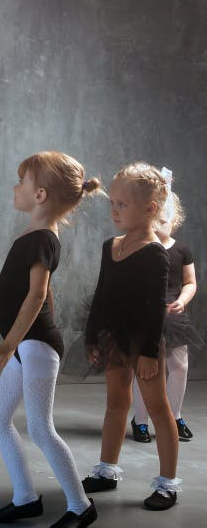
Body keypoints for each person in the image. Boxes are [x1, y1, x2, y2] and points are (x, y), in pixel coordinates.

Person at [0, 152, 100, 526]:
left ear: (40, 195)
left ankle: (80, 506)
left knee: (39, 428)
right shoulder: (37, 236)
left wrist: (8, 344)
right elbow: (44, 294)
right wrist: (15, 344)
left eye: (22, 182)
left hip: (34, 346)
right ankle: (25, 498)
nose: (15, 187)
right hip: (27, 346)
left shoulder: (42, 239)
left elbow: (36, 295)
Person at [81, 162, 181, 511]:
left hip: (143, 341)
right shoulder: (111, 245)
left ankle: (167, 484)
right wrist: (92, 336)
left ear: (150, 209)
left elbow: (155, 306)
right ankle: (106, 470)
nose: (114, 210)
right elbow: (100, 293)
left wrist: (150, 352)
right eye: (112, 202)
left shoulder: (155, 253)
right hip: (113, 338)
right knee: (116, 403)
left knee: (158, 408)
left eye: (122, 205)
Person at [130, 172, 201, 443]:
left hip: (173, 316)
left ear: (175, 220)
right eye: (155, 221)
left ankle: (174, 416)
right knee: (145, 370)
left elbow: (190, 282)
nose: (159, 226)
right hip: (144, 315)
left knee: (179, 366)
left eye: (165, 221)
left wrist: (183, 299)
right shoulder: (140, 248)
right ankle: (140, 420)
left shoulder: (182, 250)